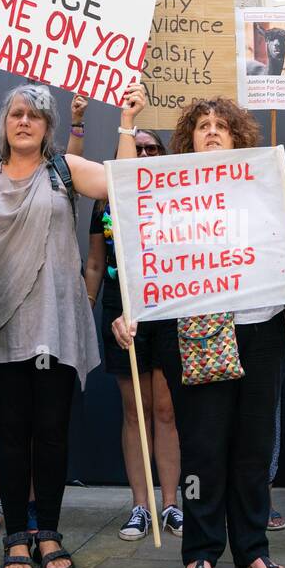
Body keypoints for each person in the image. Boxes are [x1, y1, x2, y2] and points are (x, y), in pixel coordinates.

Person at [111, 97, 285, 568]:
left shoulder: (265, 188)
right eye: (203, 126)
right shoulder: (170, 192)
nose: (214, 132)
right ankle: (199, 552)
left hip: (261, 329)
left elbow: (281, 245)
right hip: (199, 330)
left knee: (253, 446)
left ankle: (252, 551)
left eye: (223, 125)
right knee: (202, 445)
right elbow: (140, 240)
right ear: (189, 137)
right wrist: (130, 304)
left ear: (239, 136)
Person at [0, 82, 145, 568]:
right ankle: (15, 537)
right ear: (5, 124)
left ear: (48, 128)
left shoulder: (63, 171)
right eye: (16, 114)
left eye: (35, 116)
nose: (23, 121)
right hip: (0, 322)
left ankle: (48, 530)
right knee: (10, 435)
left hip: (53, 322)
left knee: (49, 433)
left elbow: (123, 183)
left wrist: (126, 122)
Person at [84, 128, 183, 541]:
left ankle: (172, 503)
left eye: (152, 148)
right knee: (135, 413)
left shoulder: (176, 197)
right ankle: (140, 505)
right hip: (120, 311)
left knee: (166, 411)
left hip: (167, 307)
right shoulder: (105, 200)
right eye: (137, 147)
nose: (144, 153)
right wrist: (82, 311)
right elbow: (93, 263)